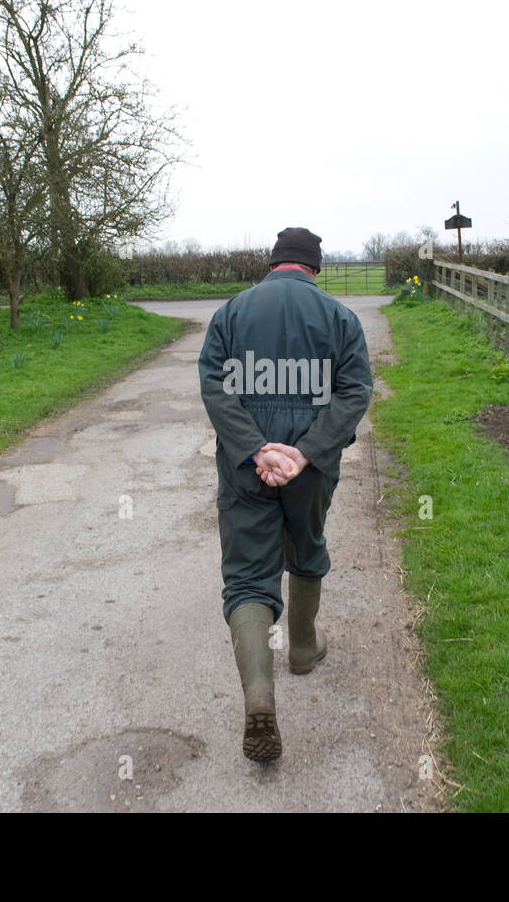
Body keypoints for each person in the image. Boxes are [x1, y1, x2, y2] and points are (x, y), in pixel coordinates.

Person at [198, 226, 373, 762]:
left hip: (247, 468)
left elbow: (215, 385)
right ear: (314, 269)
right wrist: (304, 452)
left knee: (249, 576)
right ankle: (301, 648)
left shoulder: (231, 311)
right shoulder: (341, 318)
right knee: (307, 544)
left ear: (273, 263)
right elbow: (355, 392)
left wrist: (256, 450)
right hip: (311, 468)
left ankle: (259, 696)